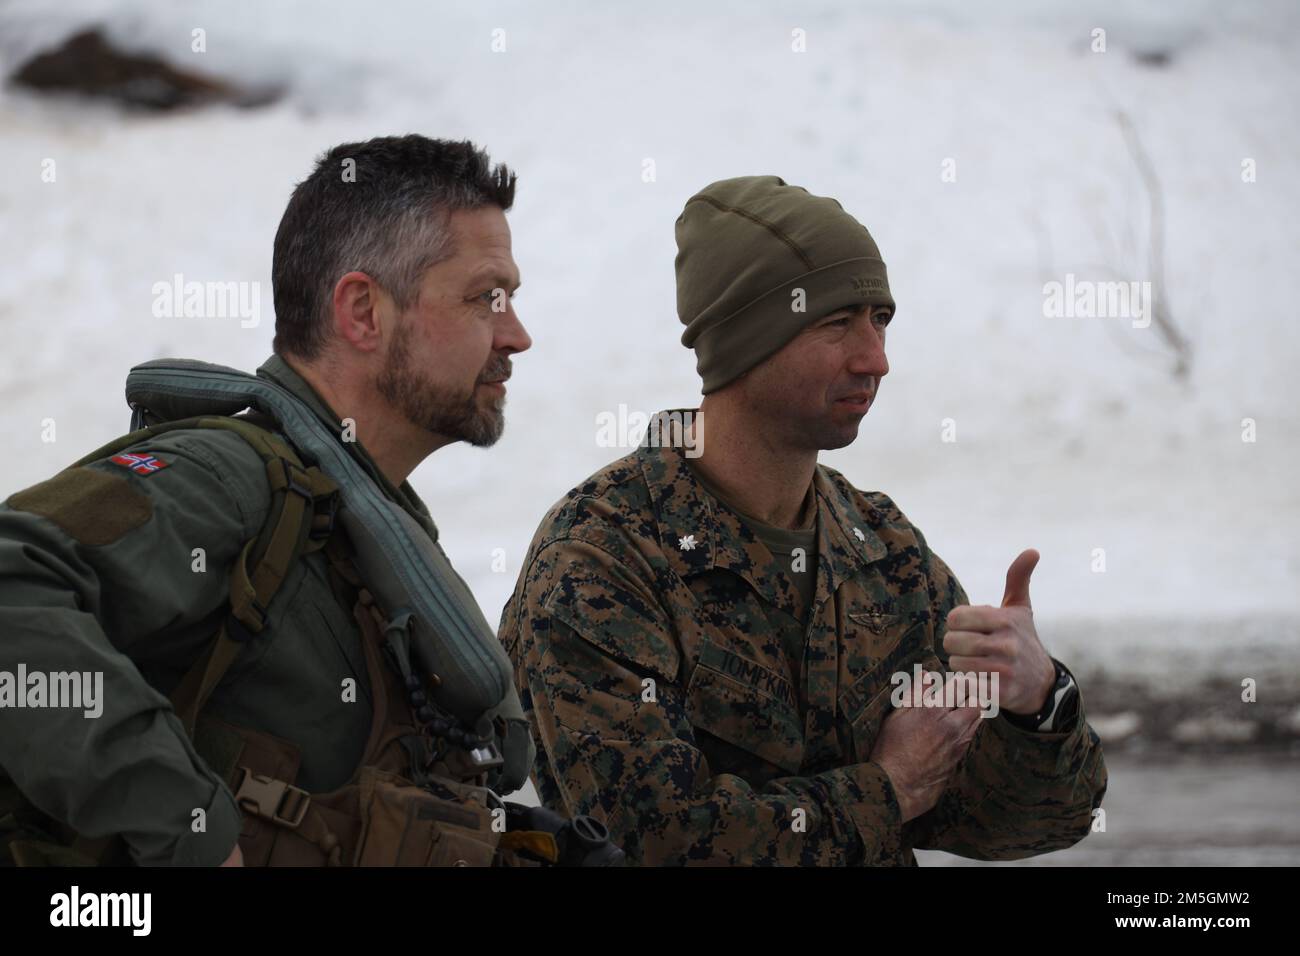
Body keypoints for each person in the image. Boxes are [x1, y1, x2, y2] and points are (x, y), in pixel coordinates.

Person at [500, 175, 1107, 866]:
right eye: (836, 323)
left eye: (880, 320)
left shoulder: (881, 547)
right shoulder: (601, 559)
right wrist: (890, 788)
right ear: (743, 340)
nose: (875, 358)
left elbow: (1008, 824)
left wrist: (1038, 704)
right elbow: (650, 844)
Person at [0, 134, 534, 866]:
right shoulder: (231, 476)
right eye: (486, 298)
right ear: (364, 312)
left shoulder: (372, 529)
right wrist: (190, 827)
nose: (518, 336)